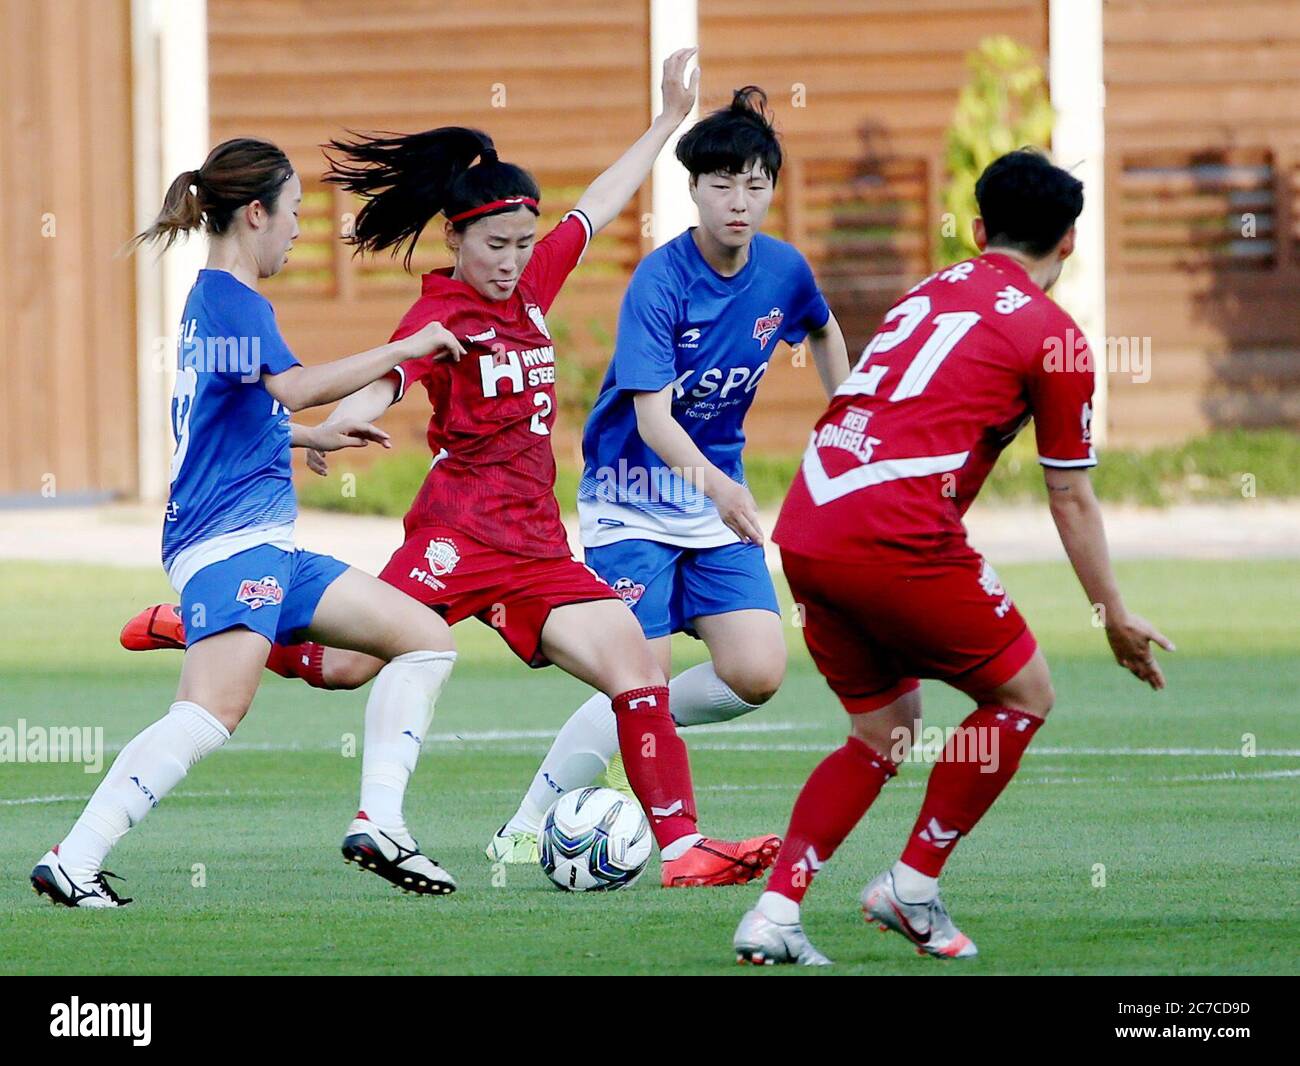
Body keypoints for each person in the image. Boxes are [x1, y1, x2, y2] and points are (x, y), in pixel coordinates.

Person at [120, 52, 781, 889]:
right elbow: (391, 381)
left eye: (522, 245)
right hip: (456, 535)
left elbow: (598, 206)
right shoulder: (441, 311)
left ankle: (685, 854)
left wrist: (665, 120)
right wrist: (339, 423)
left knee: (636, 669)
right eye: (495, 245)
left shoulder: (533, 283)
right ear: (456, 238)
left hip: (537, 545)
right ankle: (199, 624)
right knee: (348, 667)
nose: (512, 261)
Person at [732, 148, 1174, 964]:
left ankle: (775, 913)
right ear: (1070, 241)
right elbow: (1070, 494)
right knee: (1025, 694)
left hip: (808, 524)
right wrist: (1113, 614)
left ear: (978, 230)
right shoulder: (1056, 338)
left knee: (883, 732)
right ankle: (912, 886)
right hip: (897, 536)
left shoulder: (933, 287)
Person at [32, 137, 468, 907]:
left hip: (258, 544)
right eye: (295, 211)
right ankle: (75, 859)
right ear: (257, 212)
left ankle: (382, 822)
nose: (301, 228)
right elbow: (292, 386)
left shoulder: (210, 298)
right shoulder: (234, 300)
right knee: (208, 715)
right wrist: (405, 345)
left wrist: (312, 438)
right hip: (231, 546)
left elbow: (231, 417)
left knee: (425, 639)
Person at [485, 87, 850, 865]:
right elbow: (654, 422)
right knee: (637, 678)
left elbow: (822, 326)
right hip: (633, 498)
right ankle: (523, 826)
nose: (739, 201)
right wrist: (722, 489)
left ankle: (638, 722)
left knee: (757, 671)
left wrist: (849, 417)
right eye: (722, 184)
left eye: (755, 184)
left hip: (713, 503)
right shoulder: (661, 280)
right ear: (693, 189)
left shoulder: (783, 271)